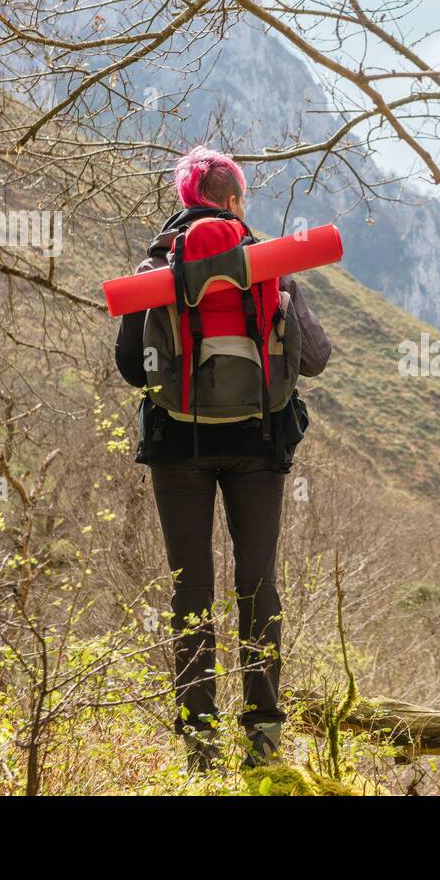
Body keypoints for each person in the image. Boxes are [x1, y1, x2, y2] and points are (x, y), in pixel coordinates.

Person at [114, 146, 331, 771]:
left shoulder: (157, 265)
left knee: (191, 587)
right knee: (258, 581)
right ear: (232, 200)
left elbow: (132, 367)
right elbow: (314, 356)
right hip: (258, 445)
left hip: (177, 446)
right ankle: (263, 739)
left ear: (186, 201)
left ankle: (199, 743)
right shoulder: (269, 264)